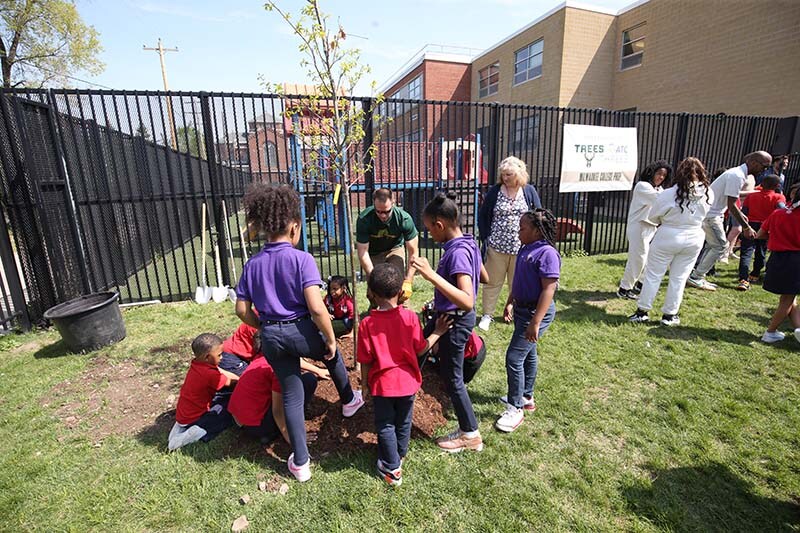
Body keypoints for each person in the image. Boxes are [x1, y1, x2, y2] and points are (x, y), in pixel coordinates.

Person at [235, 184, 364, 483]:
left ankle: (301, 464)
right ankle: (348, 401)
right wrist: (330, 339)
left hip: (271, 336)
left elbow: (241, 310)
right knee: (330, 353)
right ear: (294, 226)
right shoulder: (301, 259)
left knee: (291, 395)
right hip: (300, 330)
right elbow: (317, 309)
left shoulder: (252, 264)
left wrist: (264, 326)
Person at [357, 263, 451, 486]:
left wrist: (364, 385)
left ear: (371, 293)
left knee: (385, 424)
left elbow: (365, 360)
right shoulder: (410, 318)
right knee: (403, 421)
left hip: (383, 386)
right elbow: (421, 348)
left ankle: (392, 469)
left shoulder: (367, 324)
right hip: (408, 384)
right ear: (400, 292)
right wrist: (438, 332)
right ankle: (399, 454)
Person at [411, 192, 484, 453]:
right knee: (417, 349)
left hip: (454, 320)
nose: (429, 234)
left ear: (440, 224)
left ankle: (470, 434)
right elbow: (484, 276)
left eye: (430, 229)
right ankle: (404, 398)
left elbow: (467, 300)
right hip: (445, 315)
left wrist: (431, 275)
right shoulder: (468, 244)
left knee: (453, 379)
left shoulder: (457, 253)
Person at [495, 209, 560, 432]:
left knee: (514, 357)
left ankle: (515, 408)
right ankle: (526, 397)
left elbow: (548, 290)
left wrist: (535, 322)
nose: (518, 231)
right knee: (528, 353)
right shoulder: (525, 248)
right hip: (522, 310)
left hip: (535, 313)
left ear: (537, 231)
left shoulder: (547, 253)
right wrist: (510, 301)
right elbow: (518, 280)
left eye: (522, 228)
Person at [629, 157, 714, 325]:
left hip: (668, 234)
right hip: (694, 236)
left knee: (653, 275)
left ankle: (642, 311)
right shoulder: (708, 193)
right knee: (679, 278)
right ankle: (669, 315)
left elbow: (653, 216)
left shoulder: (669, 193)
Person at [687, 151, 772, 291]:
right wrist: (746, 227)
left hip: (711, 214)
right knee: (720, 246)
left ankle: (696, 274)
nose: (765, 170)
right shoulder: (736, 175)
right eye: (764, 166)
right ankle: (696, 277)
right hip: (711, 215)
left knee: (712, 246)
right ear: (753, 162)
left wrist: (741, 215)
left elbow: (731, 198)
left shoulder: (738, 174)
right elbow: (731, 204)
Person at [477, 156, 542, 331]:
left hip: (521, 249)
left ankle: (517, 313)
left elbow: (538, 215)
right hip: (496, 247)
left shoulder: (528, 191)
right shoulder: (495, 191)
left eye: (509, 174)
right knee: (492, 282)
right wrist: (486, 237)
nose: (505, 178)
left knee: (518, 283)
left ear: (519, 174)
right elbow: (483, 216)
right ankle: (487, 315)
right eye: (503, 174)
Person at [167, 333, 240, 451]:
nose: (222, 358)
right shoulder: (210, 374)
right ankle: (189, 436)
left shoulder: (197, 364)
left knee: (219, 399)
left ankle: (180, 427)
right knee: (227, 410)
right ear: (207, 357)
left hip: (184, 413)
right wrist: (242, 381)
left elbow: (222, 372)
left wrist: (238, 378)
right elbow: (231, 382)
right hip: (196, 417)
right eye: (219, 355)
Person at [228, 355, 318, 445]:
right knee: (309, 381)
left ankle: (269, 432)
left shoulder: (266, 359)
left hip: (239, 418)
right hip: (257, 425)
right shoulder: (279, 371)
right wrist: (290, 437)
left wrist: (318, 370)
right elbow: (278, 411)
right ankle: (271, 431)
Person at [754, 183, 800, 344]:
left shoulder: (778, 213)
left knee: (789, 297)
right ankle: (770, 332)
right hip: (796, 261)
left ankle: (798, 329)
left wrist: (778, 238)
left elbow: (760, 234)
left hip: (777, 258)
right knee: (787, 299)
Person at [617, 160, 671, 299]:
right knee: (638, 259)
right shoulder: (643, 186)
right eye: (659, 173)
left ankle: (640, 284)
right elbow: (660, 201)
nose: (661, 177)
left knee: (650, 259)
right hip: (639, 226)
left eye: (664, 175)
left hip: (652, 227)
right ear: (651, 173)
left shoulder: (660, 189)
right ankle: (624, 289)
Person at [223, 320, 331, 381]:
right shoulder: (263, 325)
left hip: (246, 355)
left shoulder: (268, 317)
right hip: (231, 357)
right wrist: (318, 370)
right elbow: (283, 355)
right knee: (250, 382)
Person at [736, 174, 786, 291]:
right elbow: (781, 211)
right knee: (761, 250)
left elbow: (744, 212)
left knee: (746, 252)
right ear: (777, 186)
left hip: (750, 225)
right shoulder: (778, 197)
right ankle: (755, 273)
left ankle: (743, 279)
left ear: (762, 184)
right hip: (765, 227)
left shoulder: (751, 196)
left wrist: (744, 227)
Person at [356, 188, 419, 280]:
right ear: (374, 204)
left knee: (396, 279)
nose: (383, 215)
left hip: (394, 249)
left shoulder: (404, 219)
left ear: (393, 203)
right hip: (373, 252)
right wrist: (372, 276)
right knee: (376, 283)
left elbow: (413, 251)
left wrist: (409, 280)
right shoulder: (364, 219)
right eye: (379, 211)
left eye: (386, 211)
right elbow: (363, 252)